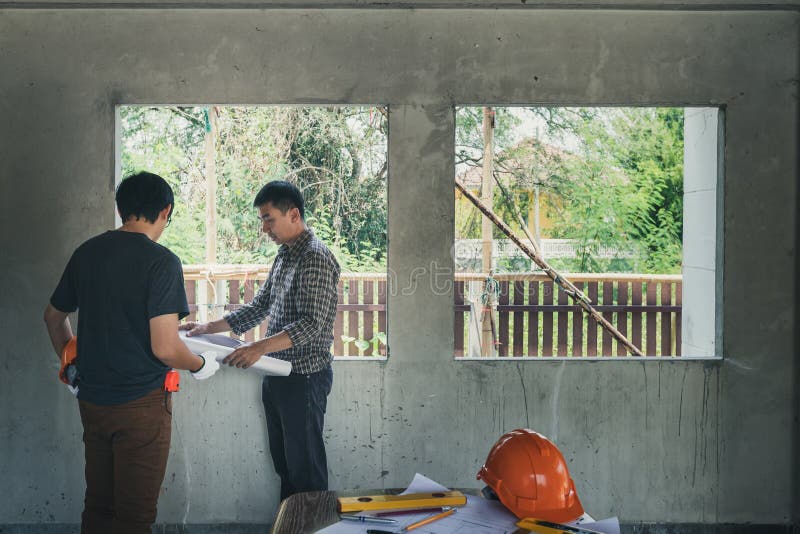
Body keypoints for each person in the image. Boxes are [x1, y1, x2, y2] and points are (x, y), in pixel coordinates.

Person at [43, 171, 220, 534]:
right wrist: (200, 364)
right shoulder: (161, 261)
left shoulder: (87, 252)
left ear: (121, 208)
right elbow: (166, 347)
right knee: (134, 516)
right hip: (141, 405)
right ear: (165, 211)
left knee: (99, 507)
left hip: (92, 400)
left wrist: (71, 363)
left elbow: (53, 316)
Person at [181, 180, 340, 500]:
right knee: (286, 467)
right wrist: (209, 328)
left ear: (293, 214)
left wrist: (258, 348)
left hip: (305, 378)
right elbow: (261, 305)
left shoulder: (316, 257)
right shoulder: (285, 255)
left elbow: (313, 324)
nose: (265, 227)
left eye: (269, 218)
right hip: (277, 373)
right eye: (263, 220)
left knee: (305, 471)